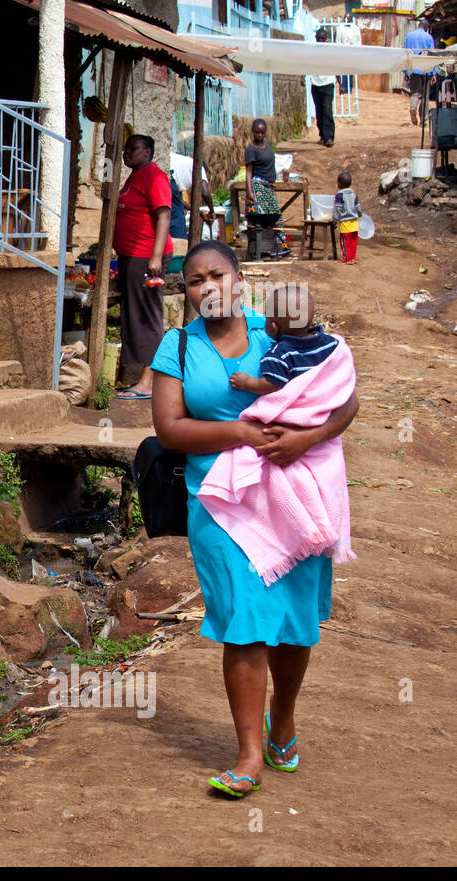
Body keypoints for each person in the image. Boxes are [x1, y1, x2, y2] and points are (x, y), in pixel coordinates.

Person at [150, 241, 360, 798]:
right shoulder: (176, 347)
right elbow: (170, 429)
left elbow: (345, 395)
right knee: (243, 619)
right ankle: (247, 754)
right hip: (218, 498)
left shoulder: (284, 328)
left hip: (294, 493)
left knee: (292, 620)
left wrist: (307, 439)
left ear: (240, 280)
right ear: (186, 292)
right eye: (195, 281)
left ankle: (283, 720)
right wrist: (243, 433)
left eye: (217, 275)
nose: (207, 287)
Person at [112, 134, 172, 400]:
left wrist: (156, 257)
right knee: (133, 315)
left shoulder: (154, 177)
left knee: (147, 316)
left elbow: (164, 215)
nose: (127, 153)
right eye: (126, 148)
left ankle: (150, 382)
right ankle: (140, 377)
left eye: (133, 148)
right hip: (131, 256)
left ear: (147, 151)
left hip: (147, 256)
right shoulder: (135, 176)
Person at [243, 120, 290, 261]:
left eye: (262, 132)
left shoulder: (268, 145)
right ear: (253, 131)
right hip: (258, 187)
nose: (260, 135)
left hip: (269, 187)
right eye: (257, 132)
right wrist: (250, 191)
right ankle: (260, 251)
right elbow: (249, 171)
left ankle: (278, 248)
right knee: (260, 218)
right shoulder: (251, 149)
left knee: (276, 217)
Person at [405, 19, 436, 126]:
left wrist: (406, 71)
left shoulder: (409, 36)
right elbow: (432, 55)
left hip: (413, 68)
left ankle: (413, 106)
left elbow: (406, 54)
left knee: (415, 92)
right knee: (425, 96)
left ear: (418, 26)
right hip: (425, 69)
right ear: (426, 28)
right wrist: (434, 73)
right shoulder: (428, 37)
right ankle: (424, 120)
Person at [309, 29, 336, 148]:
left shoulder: (331, 51)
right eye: (318, 38)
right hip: (315, 84)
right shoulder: (312, 52)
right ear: (316, 38)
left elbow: (337, 66)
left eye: (322, 39)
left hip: (328, 84)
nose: (320, 41)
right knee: (319, 112)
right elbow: (305, 64)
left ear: (326, 39)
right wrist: (302, 77)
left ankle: (329, 137)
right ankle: (322, 136)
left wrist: (340, 83)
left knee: (327, 110)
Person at [332, 171, 363, 265]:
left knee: (345, 241)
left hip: (345, 222)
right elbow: (357, 206)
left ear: (339, 184)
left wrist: (334, 219)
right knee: (353, 241)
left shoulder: (340, 195)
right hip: (354, 221)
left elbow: (337, 209)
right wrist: (360, 214)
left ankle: (346, 258)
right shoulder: (353, 194)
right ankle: (352, 258)